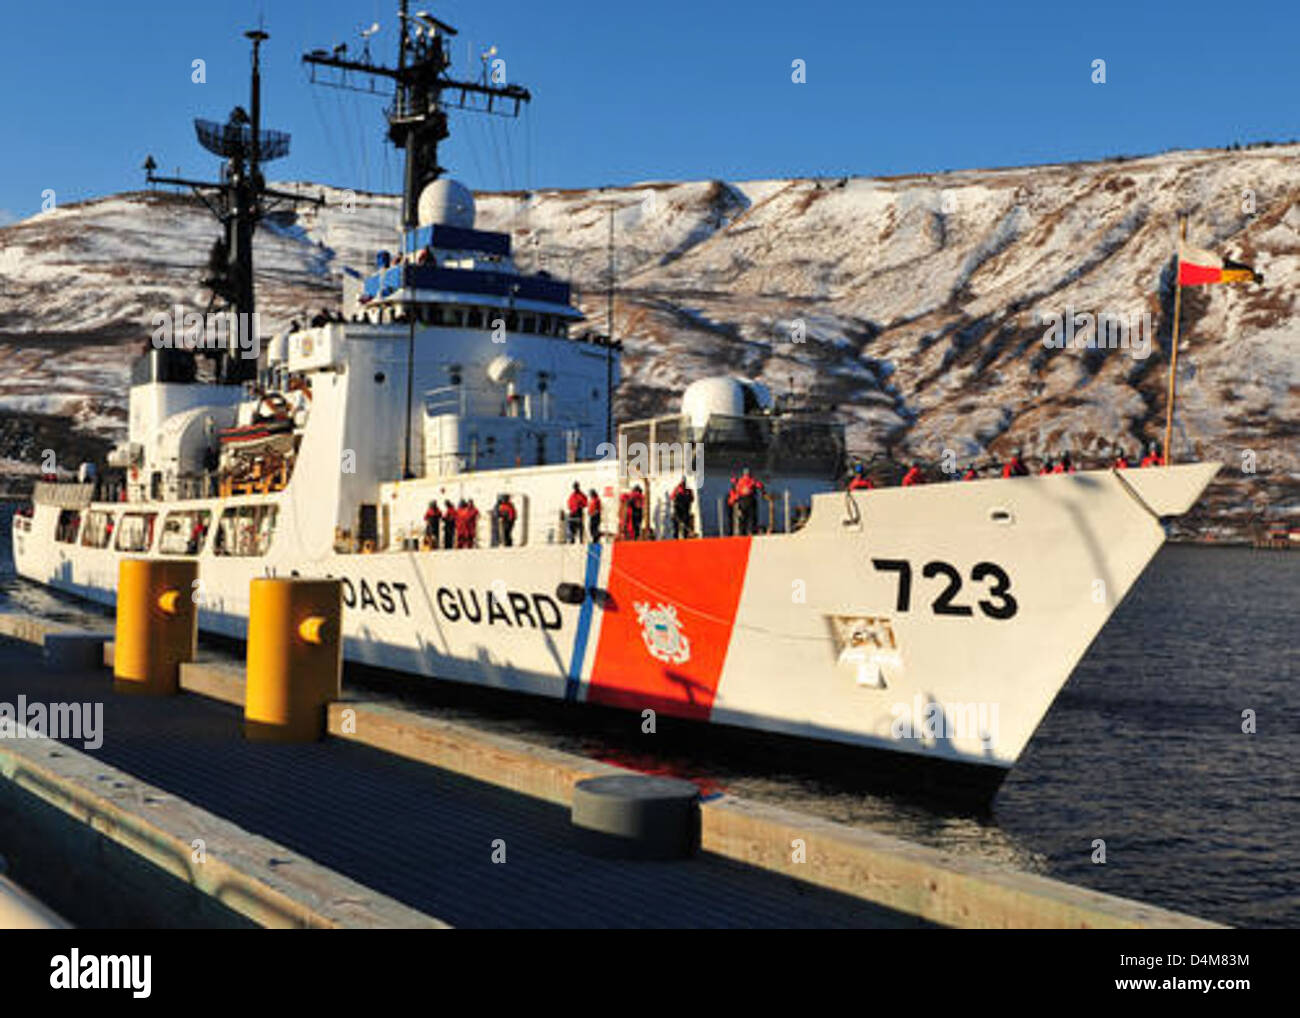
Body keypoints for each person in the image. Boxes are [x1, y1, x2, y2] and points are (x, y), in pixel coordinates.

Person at [734, 467, 763, 535]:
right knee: (752, 517)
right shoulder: (752, 480)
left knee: (743, 518)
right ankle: (752, 531)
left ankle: (742, 532)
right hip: (749, 500)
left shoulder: (739, 481)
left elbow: (737, 491)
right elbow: (760, 486)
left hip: (742, 501)